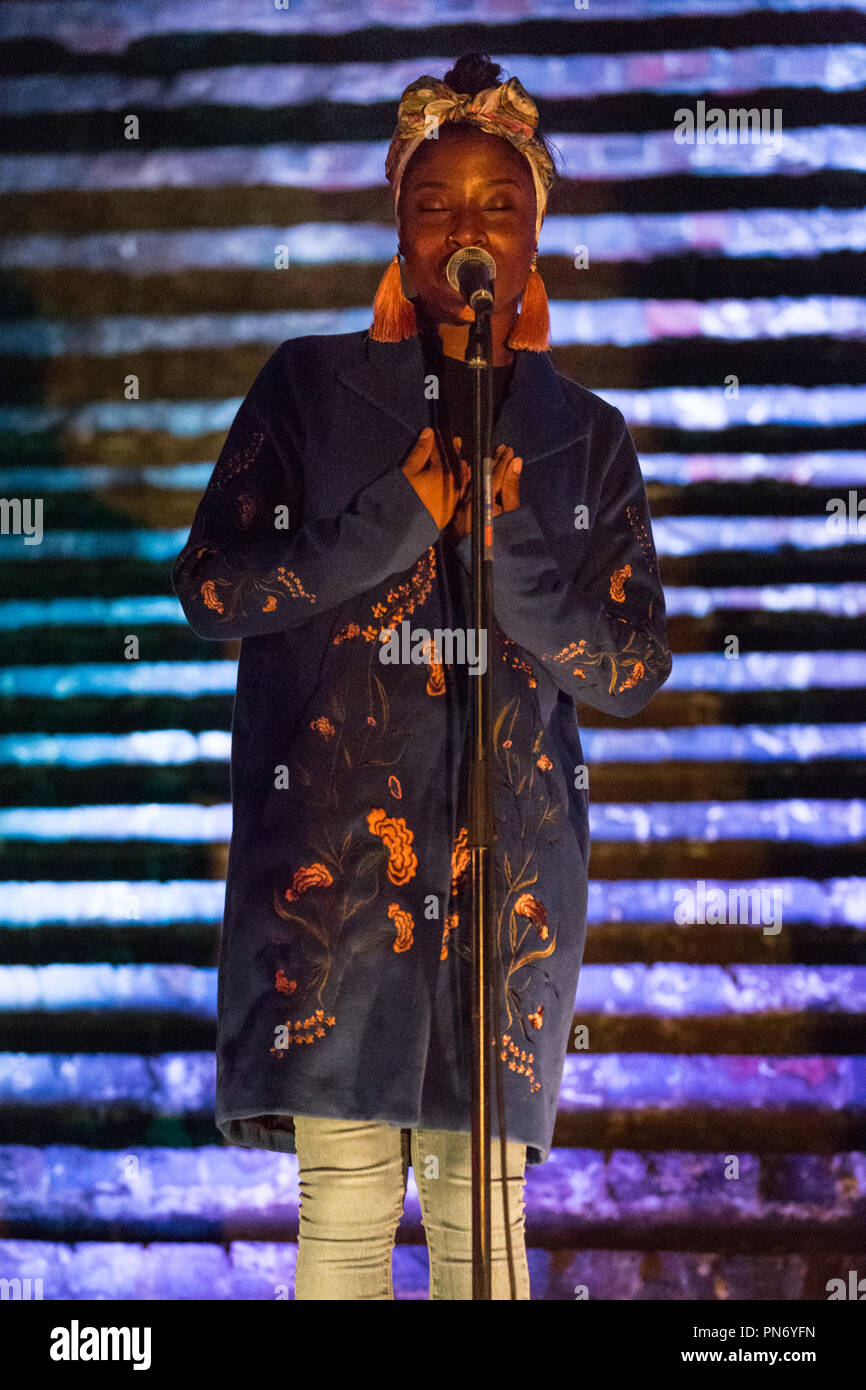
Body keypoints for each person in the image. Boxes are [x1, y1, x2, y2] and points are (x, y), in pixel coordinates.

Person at [170, 51, 673, 1300]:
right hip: (334, 869)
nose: (467, 228)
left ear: (533, 233)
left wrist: (507, 566)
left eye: (496, 205)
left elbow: (626, 666)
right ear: (397, 226)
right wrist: (396, 517)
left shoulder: (582, 435)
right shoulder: (306, 388)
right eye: (436, 202)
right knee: (343, 1204)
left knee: (478, 1211)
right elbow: (213, 589)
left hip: (508, 881)